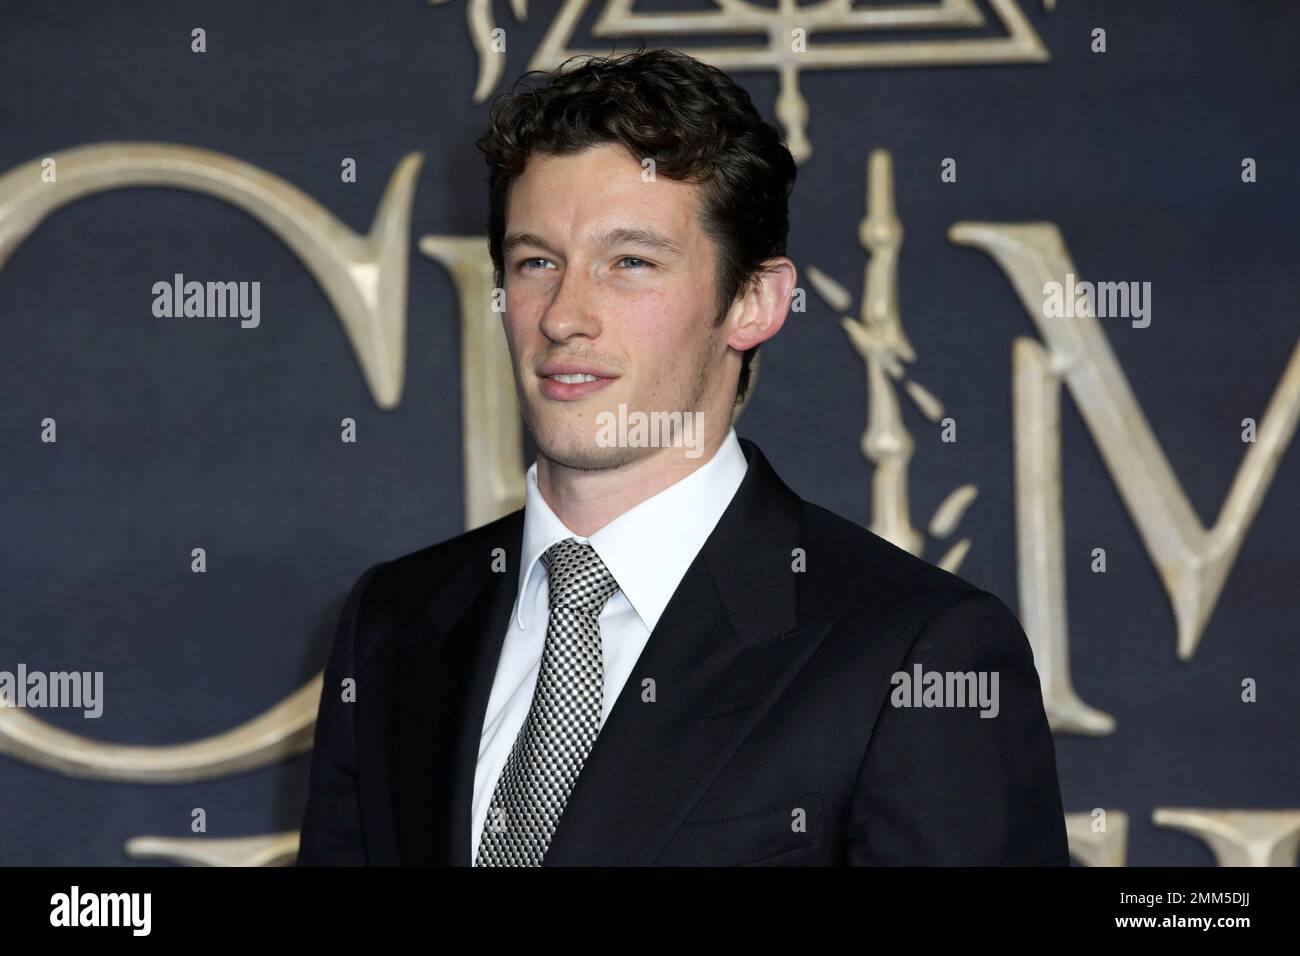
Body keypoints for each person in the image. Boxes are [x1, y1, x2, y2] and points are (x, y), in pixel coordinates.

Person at [297, 45, 1069, 866]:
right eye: (536, 263)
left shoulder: (913, 652)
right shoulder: (394, 623)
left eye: (630, 262)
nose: (565, 315)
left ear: (754, 301)